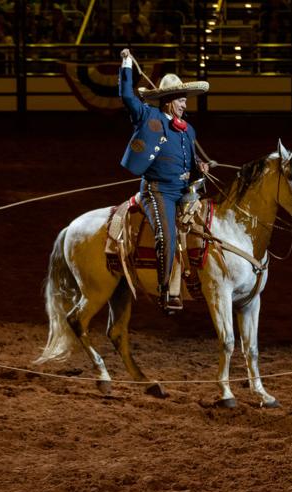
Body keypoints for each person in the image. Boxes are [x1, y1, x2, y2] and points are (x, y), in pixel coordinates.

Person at [118, 48, 213, 313]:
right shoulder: (149, 116)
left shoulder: (188, 129)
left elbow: (190, 161)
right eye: (181, 100)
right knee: (167, 235)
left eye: (185, 100)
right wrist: (126, 65)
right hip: (158, 191)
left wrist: (200, 167)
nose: (185, 105)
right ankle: (165, 290)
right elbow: (127, 96)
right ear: (169, 101)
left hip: (184, 190)